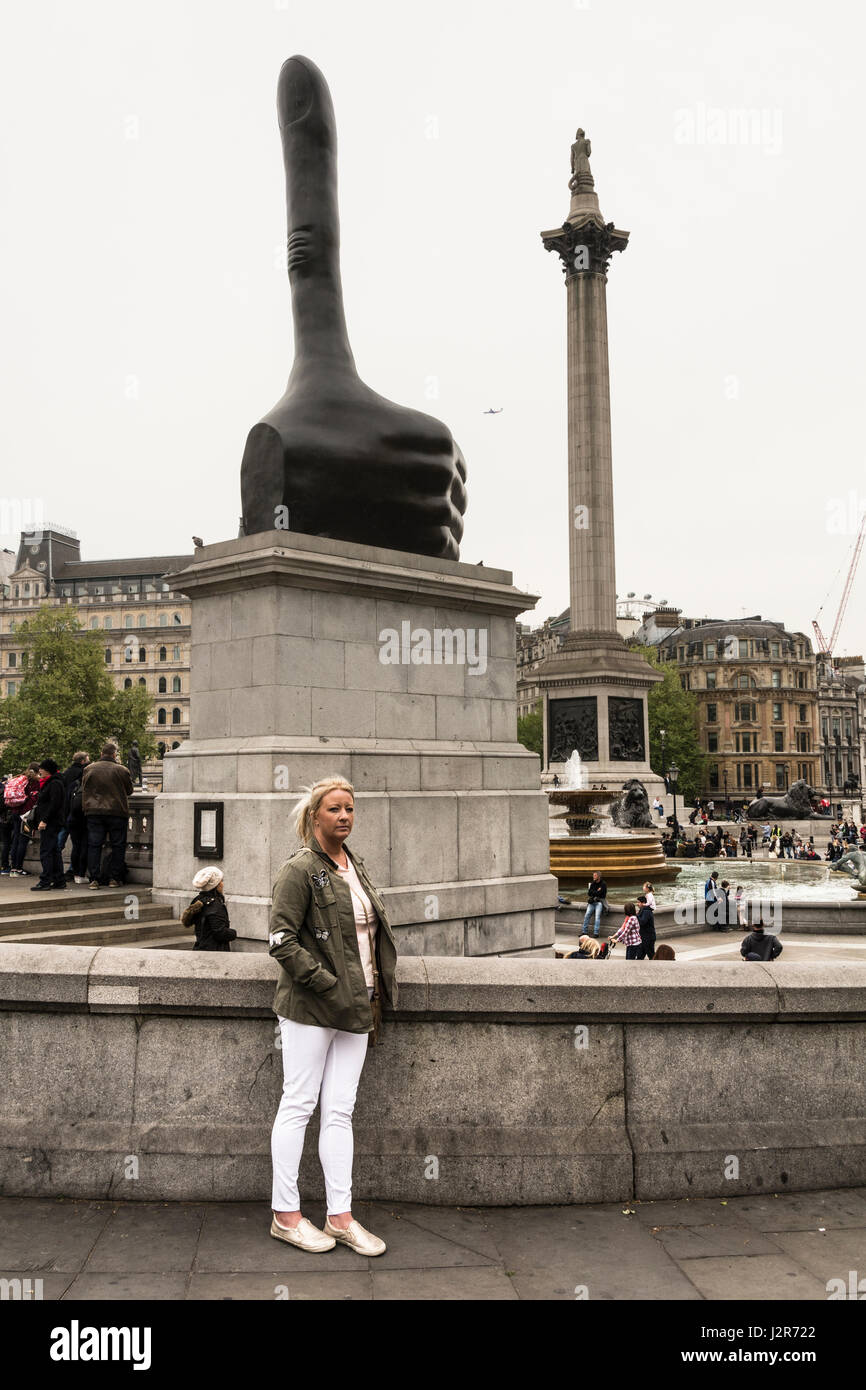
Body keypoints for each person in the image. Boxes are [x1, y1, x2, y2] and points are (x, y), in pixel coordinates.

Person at [268, 775, 398, 1256]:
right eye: (334, 809)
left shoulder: (354, 865)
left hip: (361, 1005)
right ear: (314, 816)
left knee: (340, 1111)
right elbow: (280, 940)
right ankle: (286, 1216)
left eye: (350, 808)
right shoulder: (300, 869)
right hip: (312, 1006)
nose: (344, 816)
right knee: (299, 1105)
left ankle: (340, 1217)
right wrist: (325, 982)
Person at [82, 743, 134, 888]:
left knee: (94, 845)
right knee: (118, 845)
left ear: (101, 753)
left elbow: (85, 788)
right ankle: (114, 878)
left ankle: (94, 879)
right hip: (116, 811)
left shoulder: (88, 768)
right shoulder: (122, 770)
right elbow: (129, 791)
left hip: (94, 811)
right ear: (114, 754)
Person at [30, 758, 68, 890]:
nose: (39, 770)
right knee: (54, 851)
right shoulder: (52, 782)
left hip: (50, 822)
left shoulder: (54, 784)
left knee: (46, 851)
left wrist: (44, 820)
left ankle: (45, 880)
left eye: (42, 768)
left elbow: (54, 804)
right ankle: (59, 879)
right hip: (52, 821)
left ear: (48, 770)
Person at [181, 867, 237, 950]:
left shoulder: (199, 899)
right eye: (221, 881)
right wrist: (233, 933)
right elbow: (219, 932)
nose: (223, 884)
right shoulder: (214, 905)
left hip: (201, 947)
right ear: (215, 885)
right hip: (214, 951)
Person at [60, 752, 90, 883]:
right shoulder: (82, 775)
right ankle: (76, 872)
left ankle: (55, 869)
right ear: (83, 761)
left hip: (68, 814)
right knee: (82, 845)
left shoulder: (66, 772)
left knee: (64, 843)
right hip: (81, 816)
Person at [7, 767, 41, 876]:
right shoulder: (34, 782)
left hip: (15, 813)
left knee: (16, 840)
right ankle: (18, 868)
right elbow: (34, 798)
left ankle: (13, 868)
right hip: (26, 815)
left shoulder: (20, 779)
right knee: (23, 840)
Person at [581, 871, 608, 938]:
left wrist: (595, 892)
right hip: (592, 902)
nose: (593, 877)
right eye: (593, 875)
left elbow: (602, 894)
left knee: (597, 917)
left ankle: (596, 933)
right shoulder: (593, 883)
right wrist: (597, 891)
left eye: (595, 875)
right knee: (587, 915)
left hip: (599, 903)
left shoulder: (603, 884)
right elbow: (589, 893)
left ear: (598, 876)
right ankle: (584, 932)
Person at [635, 894, 656, 960]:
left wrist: (636, 915)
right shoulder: (643, 910)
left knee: (651, 956)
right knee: (640, 956)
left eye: (638, 902)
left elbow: (642, 922)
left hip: (648, 938)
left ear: (644, 903)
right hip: (644, 938)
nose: (637, 904)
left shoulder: (646, 911)